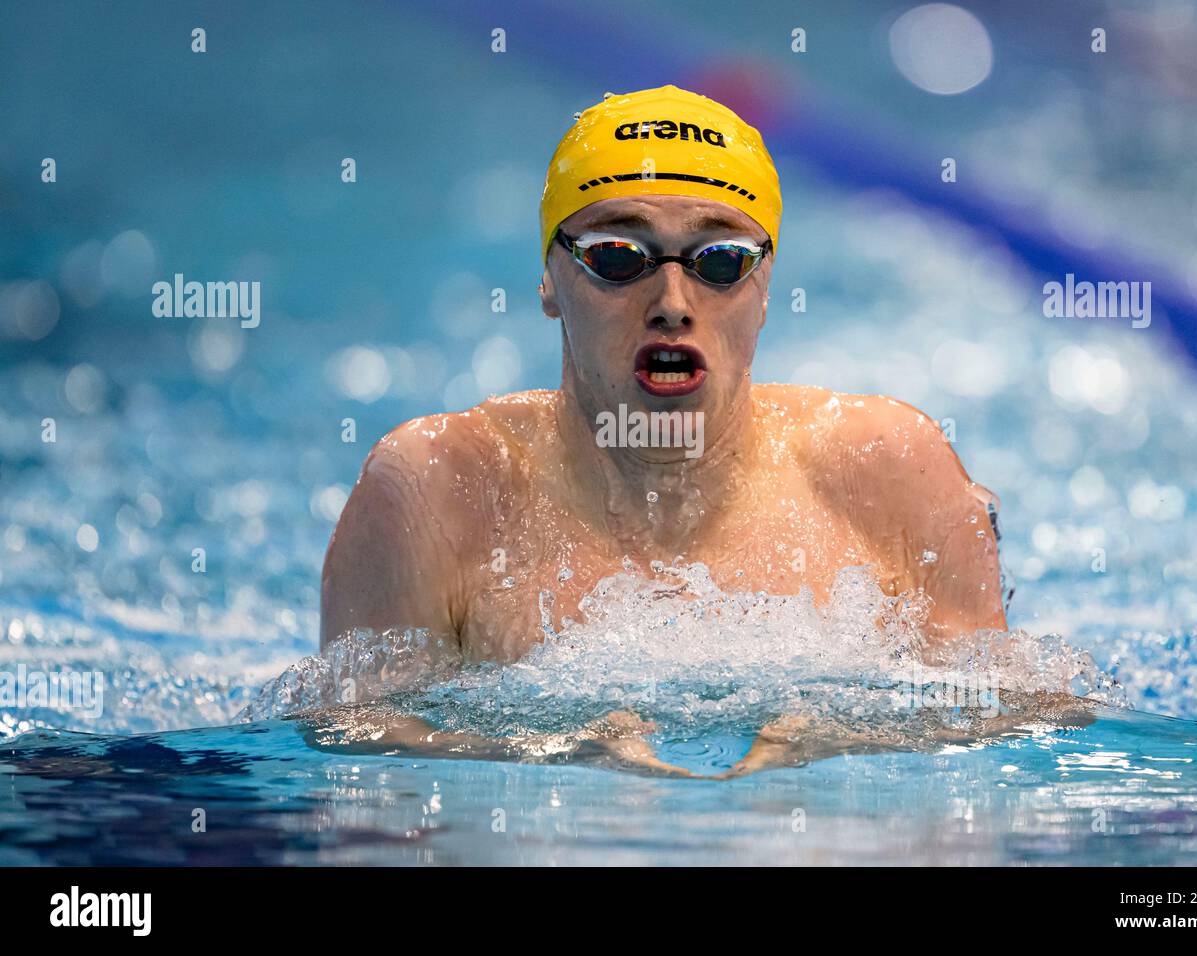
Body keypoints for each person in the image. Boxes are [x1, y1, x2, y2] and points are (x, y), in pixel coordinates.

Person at [319, 86, 1007, 773]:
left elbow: (1026, 710)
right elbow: (350, 747)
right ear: (550, 280)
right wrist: (548, 757)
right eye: (619, 258)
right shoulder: (435, 489)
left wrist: (847, 742)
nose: (673, 305)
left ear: (766, 286)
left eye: (721, 262)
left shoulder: (887, 470)